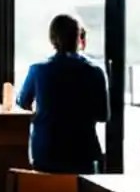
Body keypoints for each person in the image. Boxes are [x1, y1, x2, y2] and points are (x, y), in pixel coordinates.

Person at [16, 14, 109, 174]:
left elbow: (22, 105)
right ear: (80, 39)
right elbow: (103, 115)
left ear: (52, 39)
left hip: (46, 152)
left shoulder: (38, 70)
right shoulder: (95, 72)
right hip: (83, 153)